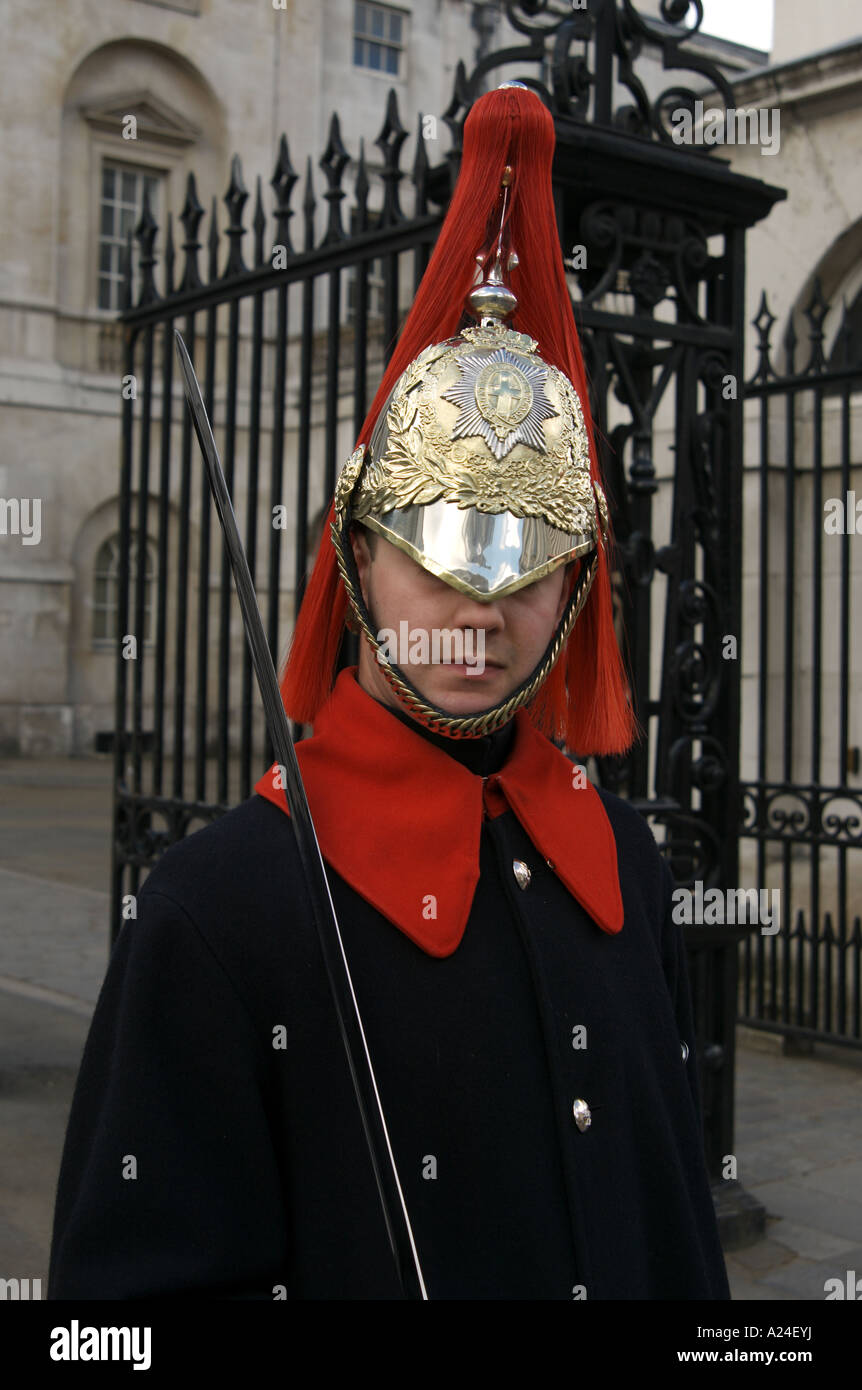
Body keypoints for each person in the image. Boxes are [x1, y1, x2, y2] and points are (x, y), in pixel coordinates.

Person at [48, 84, 730, 1301]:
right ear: (357, 552)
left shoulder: (625, 861)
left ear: (581, 583)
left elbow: (673, 1231)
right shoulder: (216, 911)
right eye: (437, 543)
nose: (483, 604)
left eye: (530, 554)